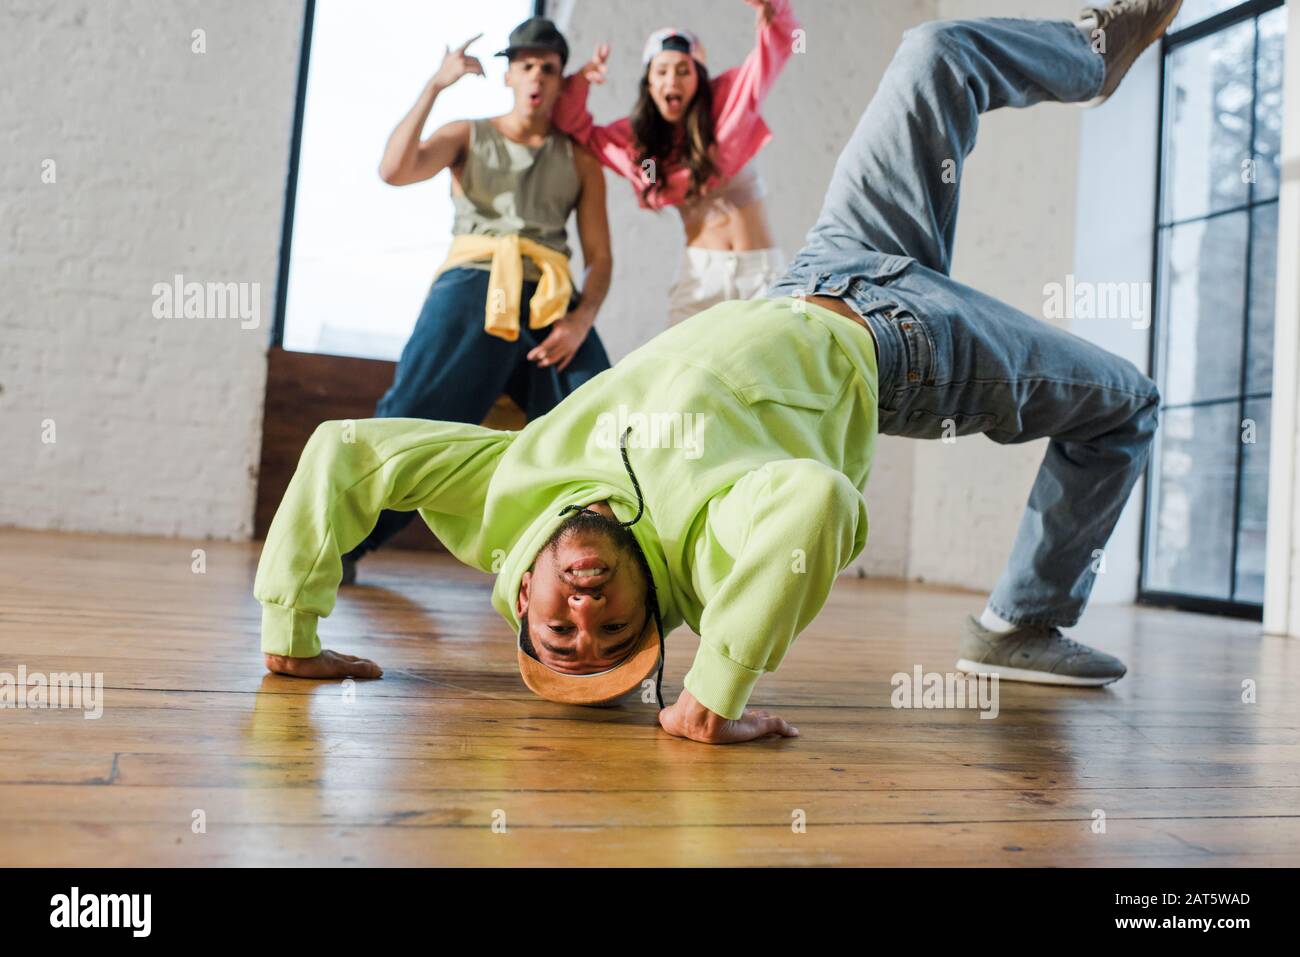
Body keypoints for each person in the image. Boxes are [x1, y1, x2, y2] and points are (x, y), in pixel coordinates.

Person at [255, 1, 1177, 745]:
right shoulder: (703, 543)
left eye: (559, 629)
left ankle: (1091, 54)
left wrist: (291, 630)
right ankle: (1023, 621)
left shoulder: (510, 490)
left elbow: (344, 451)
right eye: (612, 631)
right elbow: (817, 504)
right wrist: (714, 689)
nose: (585, 612)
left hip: (825, 263)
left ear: (521, 592)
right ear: (654, 602)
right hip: (902, 347)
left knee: (933, 50)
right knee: (1125, 404)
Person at [341, 16, 614, 583]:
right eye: (527, 65)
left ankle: (596, 567)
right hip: (474, 285)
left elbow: (601, 258)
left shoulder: (581, 158)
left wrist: (581, 320)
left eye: (549, 67)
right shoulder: (468, 133)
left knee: (600, 424)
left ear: (562, 81)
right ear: (510, 74)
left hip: (551, 301)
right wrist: (435, 86)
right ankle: (338, 548)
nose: (537, 75)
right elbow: (393, 170)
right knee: (413, 423)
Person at [551, 0, 800, 325]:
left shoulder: (730, 102)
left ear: (698, 79)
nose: (672, 81)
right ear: (649, 82)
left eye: (684, 71)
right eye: (662, 71)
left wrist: (772, 8)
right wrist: (582, 78)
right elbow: (570, 123)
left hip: (761, 272)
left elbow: (783, 40)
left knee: (778, 370)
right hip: (699, 275)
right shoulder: (636, 142)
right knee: (682, 372)